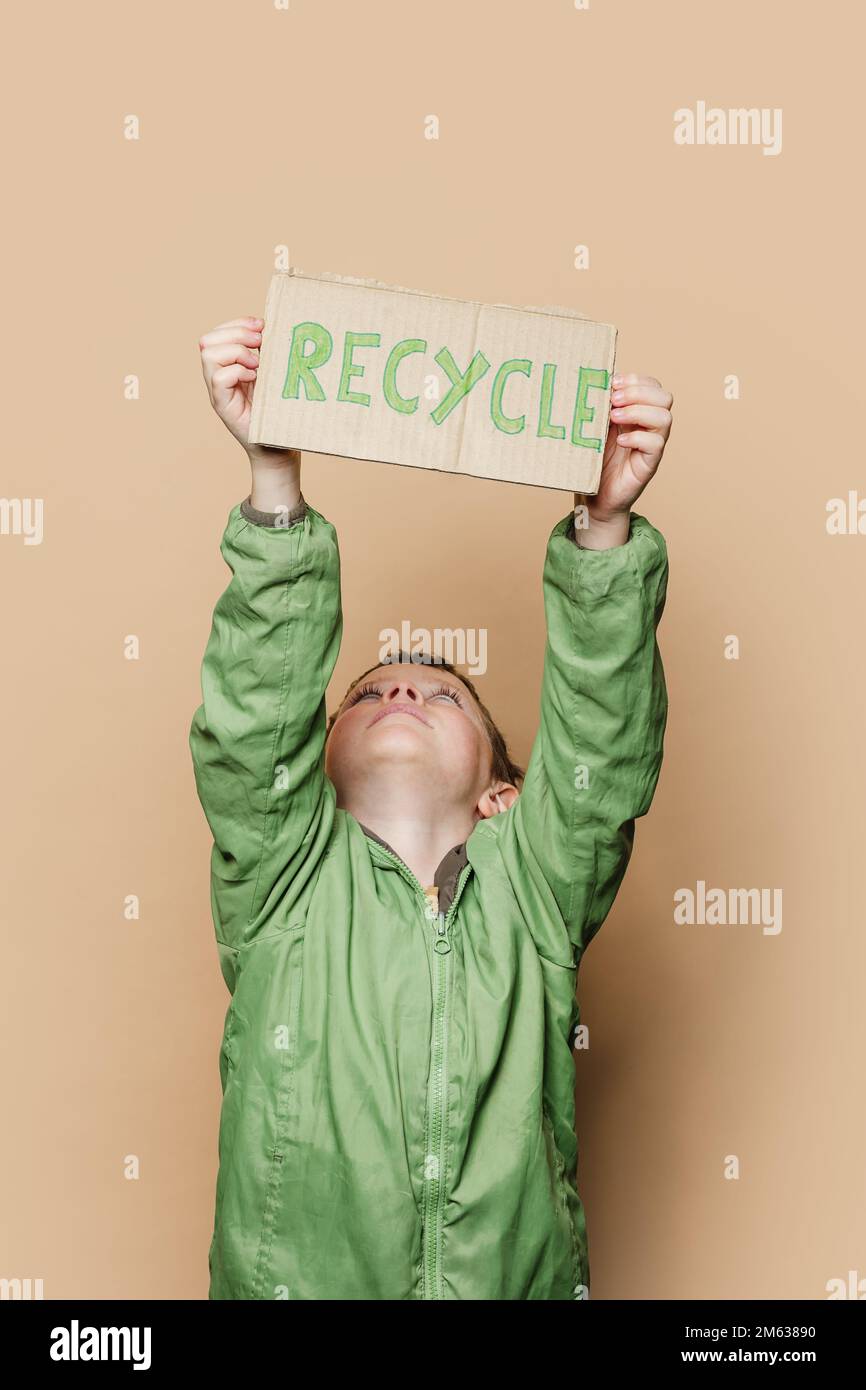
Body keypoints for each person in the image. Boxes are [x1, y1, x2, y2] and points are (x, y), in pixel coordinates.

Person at [190, 313, 673, 1300]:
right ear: (312, 767)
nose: (400, 691)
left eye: (439, 693)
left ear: (502, 792)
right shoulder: (282, 882)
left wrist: (604, 527)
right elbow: (253, 716)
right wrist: (273, 482)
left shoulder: (534, 892)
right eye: (367, 692)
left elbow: (596, 743)